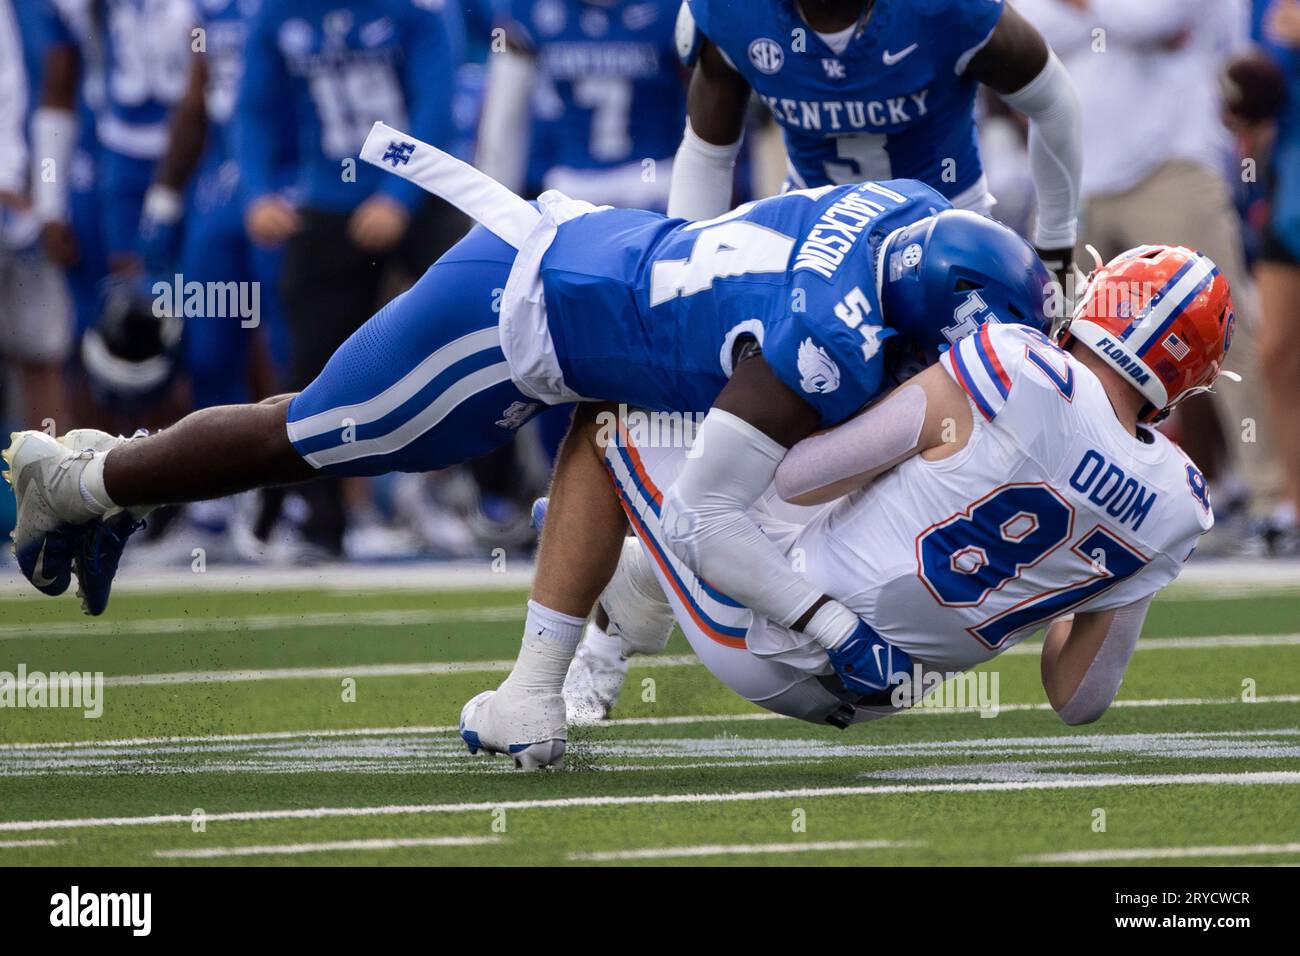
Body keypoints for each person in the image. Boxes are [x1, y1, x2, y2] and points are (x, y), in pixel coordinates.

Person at [3, 142, 1051, 758]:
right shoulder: (822, 343)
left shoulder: (909, 224)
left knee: (627, 442)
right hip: (519, 313)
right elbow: (715, 521)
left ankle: (546, 676)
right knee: (309, 436)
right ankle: (81, 478)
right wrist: (830, 623)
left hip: (612, 291)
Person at [506, 244, 1229, 755]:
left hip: (771, 635)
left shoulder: (1015, 362)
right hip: (887, 694)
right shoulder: (1178, 504)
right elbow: (1078, 699)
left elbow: (801, 479)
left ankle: (536, 687)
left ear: (1102, 303)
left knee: (613, 421)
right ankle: (638, 566)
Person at [234, 0, 467, 558]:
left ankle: (494, 494)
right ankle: (319, 514)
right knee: (313, 362)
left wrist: (398, 196)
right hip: (328, 198)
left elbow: (437, 106)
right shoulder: (277, 16)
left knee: (477, 322)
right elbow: (255, 111)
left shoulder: (417, 9)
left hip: (425, 191)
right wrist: (259, 191)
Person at [666, 0, 1083, 284]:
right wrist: (677, 273)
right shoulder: (735, 13)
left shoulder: (942, 11)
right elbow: (707, 153)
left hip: (950, 239)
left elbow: (1052, 101)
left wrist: (1055, 248)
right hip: (814, 246)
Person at [476, 0, 687, 210]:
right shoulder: (531, 13)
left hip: (649, 190)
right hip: (572, 190)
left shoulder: (673, 11)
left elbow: (502, 132)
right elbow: (505, 123)